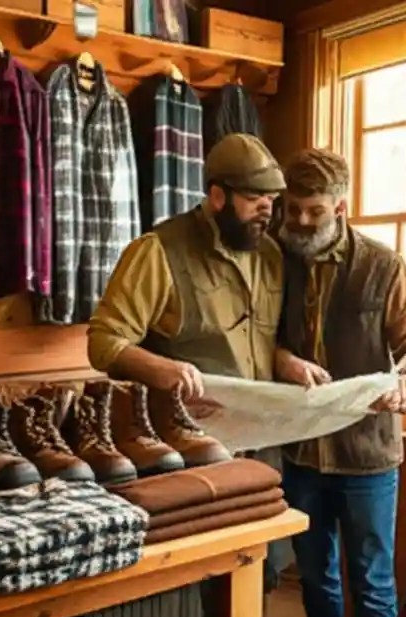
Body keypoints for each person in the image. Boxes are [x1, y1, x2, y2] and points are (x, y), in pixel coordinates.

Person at [86, 132, 294, 590]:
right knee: (197, 586)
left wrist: (286, 360)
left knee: (258, 578)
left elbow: (258, 337)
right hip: (191, 453)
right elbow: (103, 341)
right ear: (217, 196)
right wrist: (163, 370)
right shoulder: (159, 251)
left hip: (260, 449)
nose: (267, 211)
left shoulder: (272, 256)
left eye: (272, 201)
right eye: (255, 198)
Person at [272, 148, 406, 617]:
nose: (301, 223)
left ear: (341, 206)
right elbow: (260, 337)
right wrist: (283, 358)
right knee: (314, 577)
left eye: (313, 211)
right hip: (302, 450)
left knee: (373, 585)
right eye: (293, 210)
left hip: (369, 454)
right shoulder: (275, 261)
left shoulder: (385, 267)